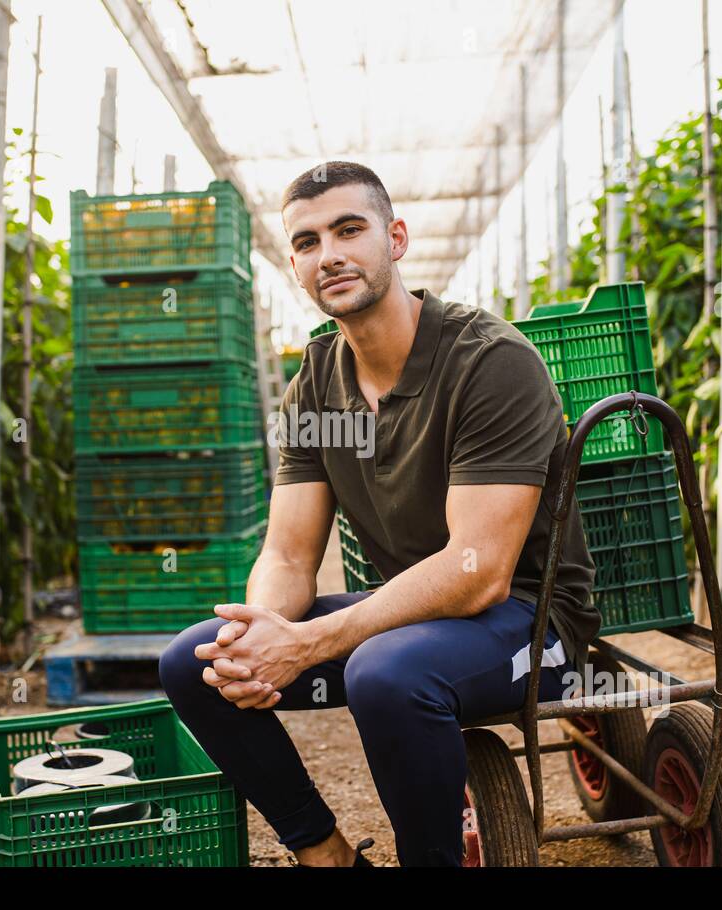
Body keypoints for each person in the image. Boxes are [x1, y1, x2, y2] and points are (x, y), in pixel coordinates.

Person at [159, 161, 600, 867]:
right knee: (196, 661)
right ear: (296, 267)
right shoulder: (315, 386)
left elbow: (478, 572)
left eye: (348, 229)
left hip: (529, 619)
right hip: (413, 618)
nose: (327, 253)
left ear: (393, 238)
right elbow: (288, 554)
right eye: (306, 242)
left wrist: (310, 644)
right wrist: (264, 633)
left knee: (385, 674)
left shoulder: (487, 362)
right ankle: (325, 853)